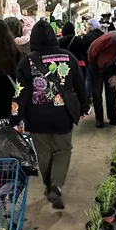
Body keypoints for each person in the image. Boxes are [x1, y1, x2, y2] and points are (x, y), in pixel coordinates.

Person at [13, 20, 88, 210]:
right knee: (63, 150)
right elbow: (80, 84)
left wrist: (15, 116)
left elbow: (20, 92)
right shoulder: (68, 57)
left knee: (43, 153)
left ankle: (48, 185)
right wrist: (84, 106)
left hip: (36, 118)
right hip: (63, 116)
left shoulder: (26, 61)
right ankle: (56, 186)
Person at [58, 21, 88, 91]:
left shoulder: (60, 41)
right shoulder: (80, 40)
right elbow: (84, 53)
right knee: (80, 86)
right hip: (79, 65)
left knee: (66, 86)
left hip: (64, 66)